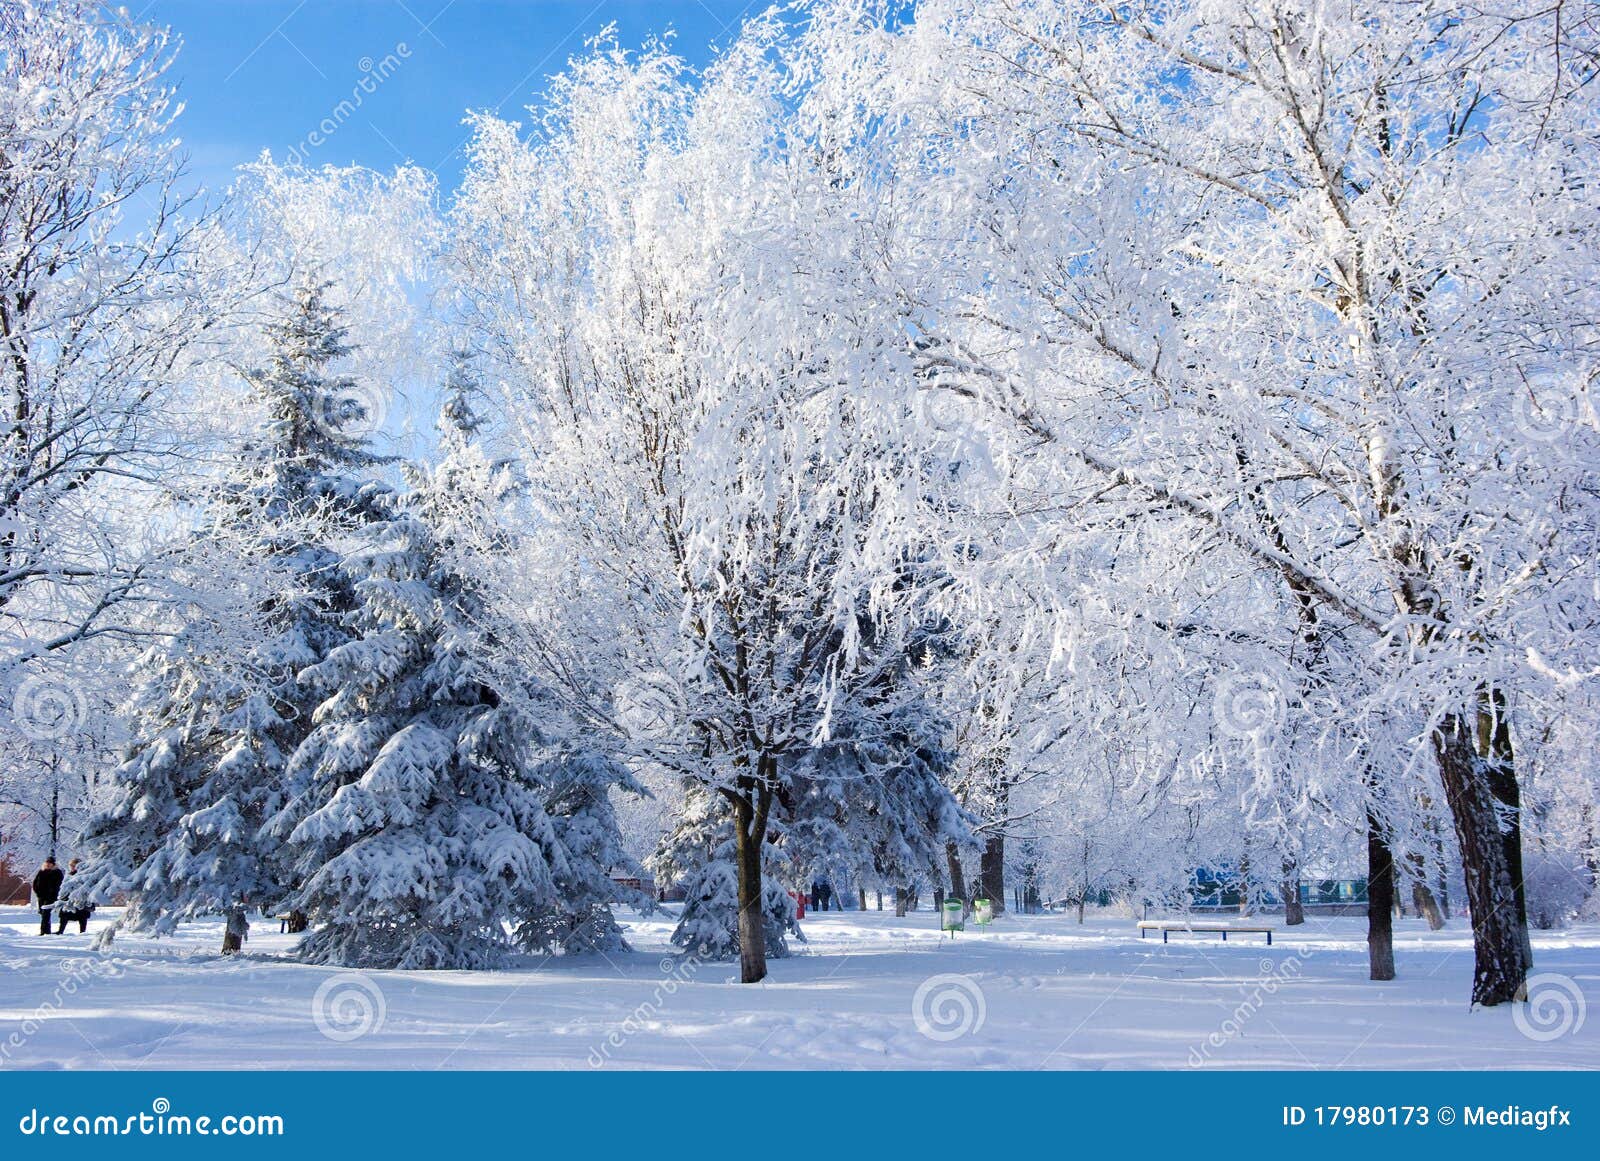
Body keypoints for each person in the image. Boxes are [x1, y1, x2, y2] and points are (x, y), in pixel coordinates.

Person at [55, 858, 93, 934]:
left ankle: (82, 931)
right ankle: (61, 930)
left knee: (82, 915)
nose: (71, 867)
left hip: (80, 898)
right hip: (69, 898)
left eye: (73, 865)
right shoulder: (69, 875)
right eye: (71, 865)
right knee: (64, 914)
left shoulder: (83, 874)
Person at [31, 857, 63, 936]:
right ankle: (46, 930)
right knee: (42, 913)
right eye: (47, 863)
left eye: (50, 863)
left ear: (53, 864)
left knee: (46, 913)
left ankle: (44, 931)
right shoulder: (41, 872)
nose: (48, 865)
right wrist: (37, 892)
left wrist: (53, 893)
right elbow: (35, 883)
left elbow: (58, 884)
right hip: (41, 896)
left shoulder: (57, 872)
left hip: (51, 896)